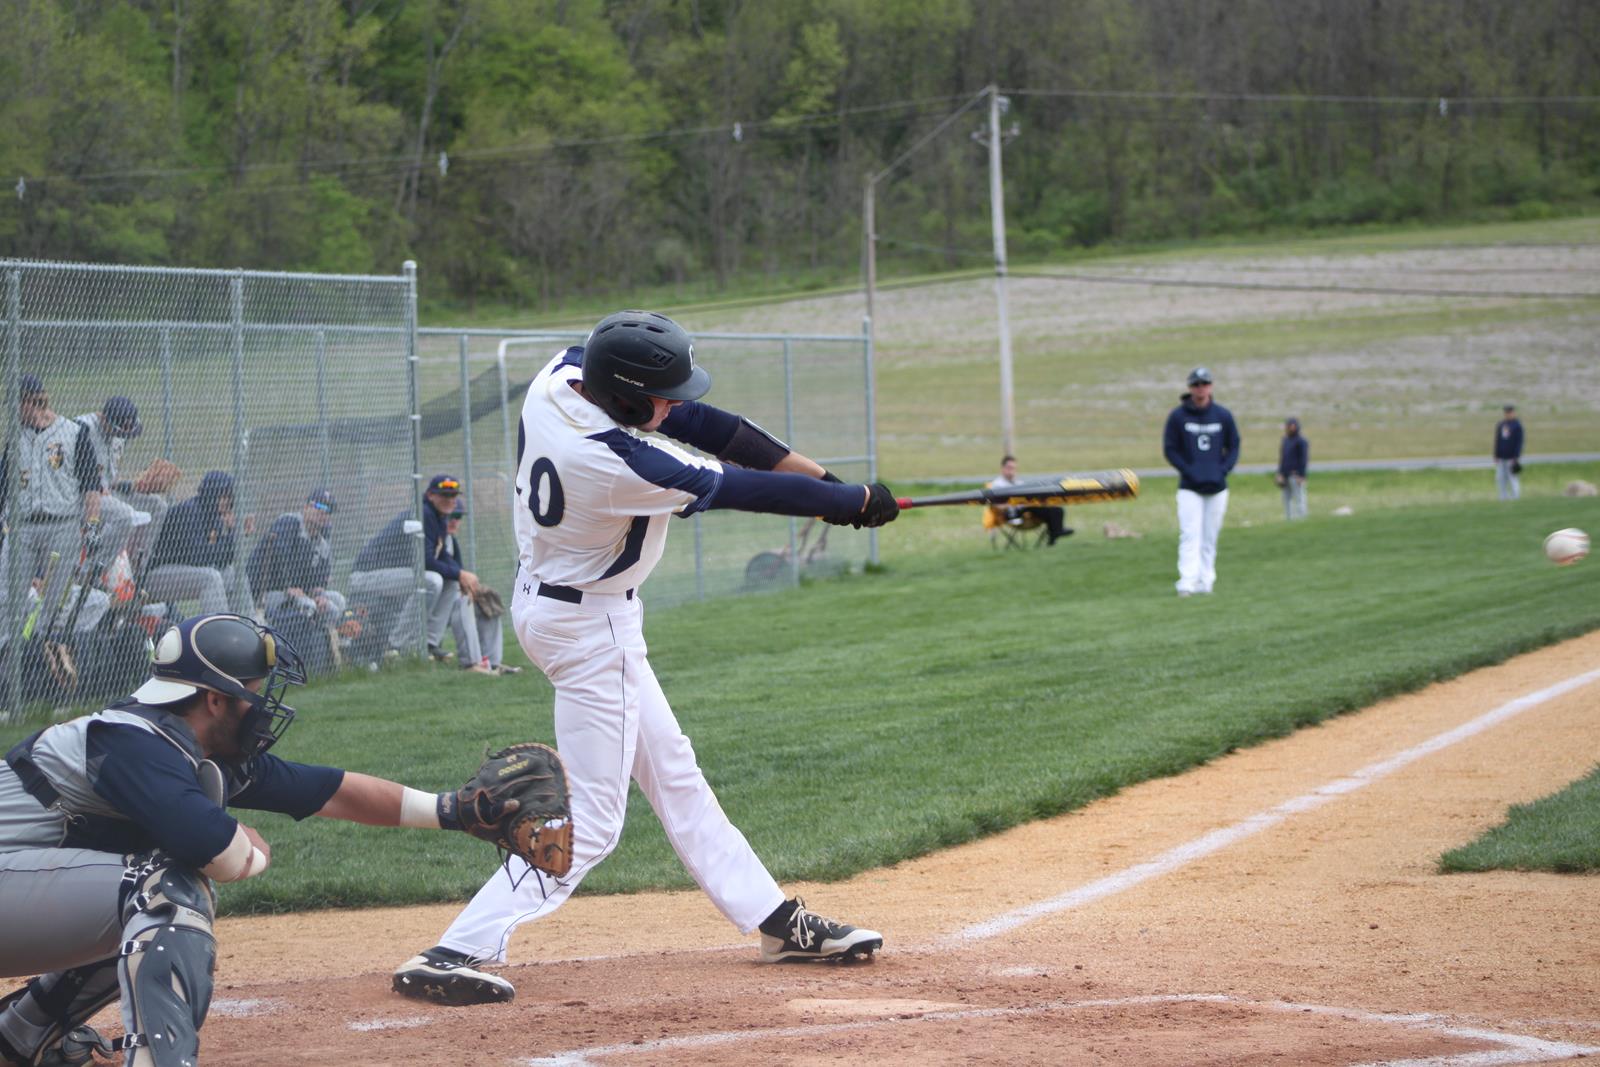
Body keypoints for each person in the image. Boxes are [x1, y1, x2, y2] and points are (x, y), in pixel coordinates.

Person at [392, 310, 898, 1005]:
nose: (676, 404)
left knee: (674, 771)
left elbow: (710, 424)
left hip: (556, 603)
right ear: (627, 399)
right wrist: (845, 501)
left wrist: (836, 487)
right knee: (594, 821)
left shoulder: (563, 376)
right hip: (590, 626)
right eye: (662, 394)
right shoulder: (619, 462)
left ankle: (774, 920)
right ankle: (457, 948)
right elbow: (744, 486)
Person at [0, 613, 539, 1066]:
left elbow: (332, 791)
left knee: (152, 886)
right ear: (214, 699)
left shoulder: (188, 745)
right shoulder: (130, 742)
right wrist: (246, 845)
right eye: (253, 693)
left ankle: (20, 1034)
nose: (263, 706)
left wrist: (455, 811)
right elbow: (215, 849)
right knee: (164, 889)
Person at [1, 376, 101, 639]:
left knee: (55, 603)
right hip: (22, 527)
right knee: (5, 596)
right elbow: (3, 487)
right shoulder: (15, 437)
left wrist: (91, 526)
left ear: (32, 402)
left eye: (16, 405)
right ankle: (6, 656)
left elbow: (92, 485)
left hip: (63, 525)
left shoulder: (73, 432)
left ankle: (43, 662)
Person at [347, 475, 485, 664]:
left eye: (453, 495)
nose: (450, 500)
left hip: (393, 576)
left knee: (450, 581)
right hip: (366, 576)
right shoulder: (423, 514)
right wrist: (460, 573)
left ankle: (430, 643)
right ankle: (395, 645)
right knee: (431, 580)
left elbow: (442, 555)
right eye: (444, 495)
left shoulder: (438, 517)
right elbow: (426, 561)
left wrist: (461, 575)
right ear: (430, 495)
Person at [1163, 367, 1239, 596]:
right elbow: (1170, 449)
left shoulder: (1223, 415)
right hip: (1190, 486)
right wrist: (1188, 470)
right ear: (1189, 387)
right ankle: (1187, 580)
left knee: (1210, 535)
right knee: (1189, 533)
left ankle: (1206, 580)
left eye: (1204, 384)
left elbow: (1234, 445)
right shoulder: (1178, 417)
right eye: (1196, 384)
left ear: (1211, 386)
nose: (1200, 388)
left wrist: (1223, 470)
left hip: (1217, 485)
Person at [75, 397, 167, 570]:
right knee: (123, 515)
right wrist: (98, 489)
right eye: (120, 431)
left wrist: (132, 486)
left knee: (156, 505)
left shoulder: (118, 436)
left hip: (106, 494)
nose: (123, 437)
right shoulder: (81, 429)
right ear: (104, 419)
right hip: (82, 498)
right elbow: (71, 476)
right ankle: (91, 570)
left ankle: (137, 568)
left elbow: (108, 477)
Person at [143, 471, 241, 617]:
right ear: (212, 493)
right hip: (156, 575)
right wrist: (215, 548)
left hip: (181, 573)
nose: (228, 501)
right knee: (211, 577)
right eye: (224, 496)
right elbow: (197, 557)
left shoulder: (214, 516)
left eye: (230, 497)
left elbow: (223, 560)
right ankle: (219, 634)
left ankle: (247, 627)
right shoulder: (189, 511)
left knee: (232, 574)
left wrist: (231, 532)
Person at [247, 488, 345, 628]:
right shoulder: (289, 523)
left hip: (300, 595)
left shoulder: (321, 543)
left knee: (337, 600)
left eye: (329, 511)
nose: (324, 513)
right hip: (266, 594)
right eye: (319, 506)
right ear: (306, 507)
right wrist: (289, 588)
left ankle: (330, 643)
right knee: (307, 605)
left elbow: (319, 581)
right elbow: (280, 555)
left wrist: (320, 595)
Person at [442, 505, 519, 676]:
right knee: (464, 601)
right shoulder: (430, 536)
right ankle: (471, 663)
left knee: (486, 601)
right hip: (436, 604)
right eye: (450, 517)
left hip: (448, 598)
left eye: (458, 517)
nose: (454, 521)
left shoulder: (450, 540)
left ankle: (491, 663)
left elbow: (456, 572)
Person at [992, 455, 1072, 545]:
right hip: (1012, 513)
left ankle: (1055, 534)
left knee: (1055, 509)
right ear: (1002, 468)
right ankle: (1056, 532)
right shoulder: (997, 484)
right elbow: (996, 505)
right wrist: (1011, 505)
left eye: (1014, 468)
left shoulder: (1018, 483)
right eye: (1009, 468)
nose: (1012, 471)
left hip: (1026, 508)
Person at [1275, 417, 1309, 521]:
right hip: (1285, 474)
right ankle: (1289, 518)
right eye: (1289, 426)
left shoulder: (1301, 441)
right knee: (1286, 498)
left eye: (1293, 426)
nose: (1291, 428)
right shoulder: (1285, 440)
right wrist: (1280, 473)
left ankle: (1302, 518)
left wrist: (1302, 475)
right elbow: (1283, 458)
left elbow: (1304, 459)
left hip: (1296, 475)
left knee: (1299, 497)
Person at [1494, 403, 1523, 501]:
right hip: (1501, 456)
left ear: (1513, 413)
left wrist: (1516, 456)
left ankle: (1515, 496)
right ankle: (1503, 496)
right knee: (1500, 478)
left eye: (1510, 412)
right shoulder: (1501, 424)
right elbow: (1498, 440)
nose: (1508, 414)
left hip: (1512, 457)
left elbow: (1519, 442)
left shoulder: (1517, 426)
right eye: (1506, 412)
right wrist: (1496, 454)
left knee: (1512, 477)